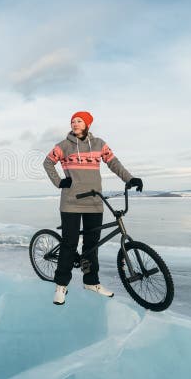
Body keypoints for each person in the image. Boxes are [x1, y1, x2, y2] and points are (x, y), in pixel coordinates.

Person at [43, 111, 143, 305]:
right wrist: (59, 182)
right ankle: (61, 285)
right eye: (73, 121)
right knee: (69, 244)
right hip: (71, 202)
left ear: (87, 124)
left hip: (95, 202)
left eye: (79, 120)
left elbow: (113, 163)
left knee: (91, 245)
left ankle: (91, 282)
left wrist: (130, 178)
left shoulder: (98, 144)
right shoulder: (63, 146)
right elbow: (48, 162)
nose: (75, 123)